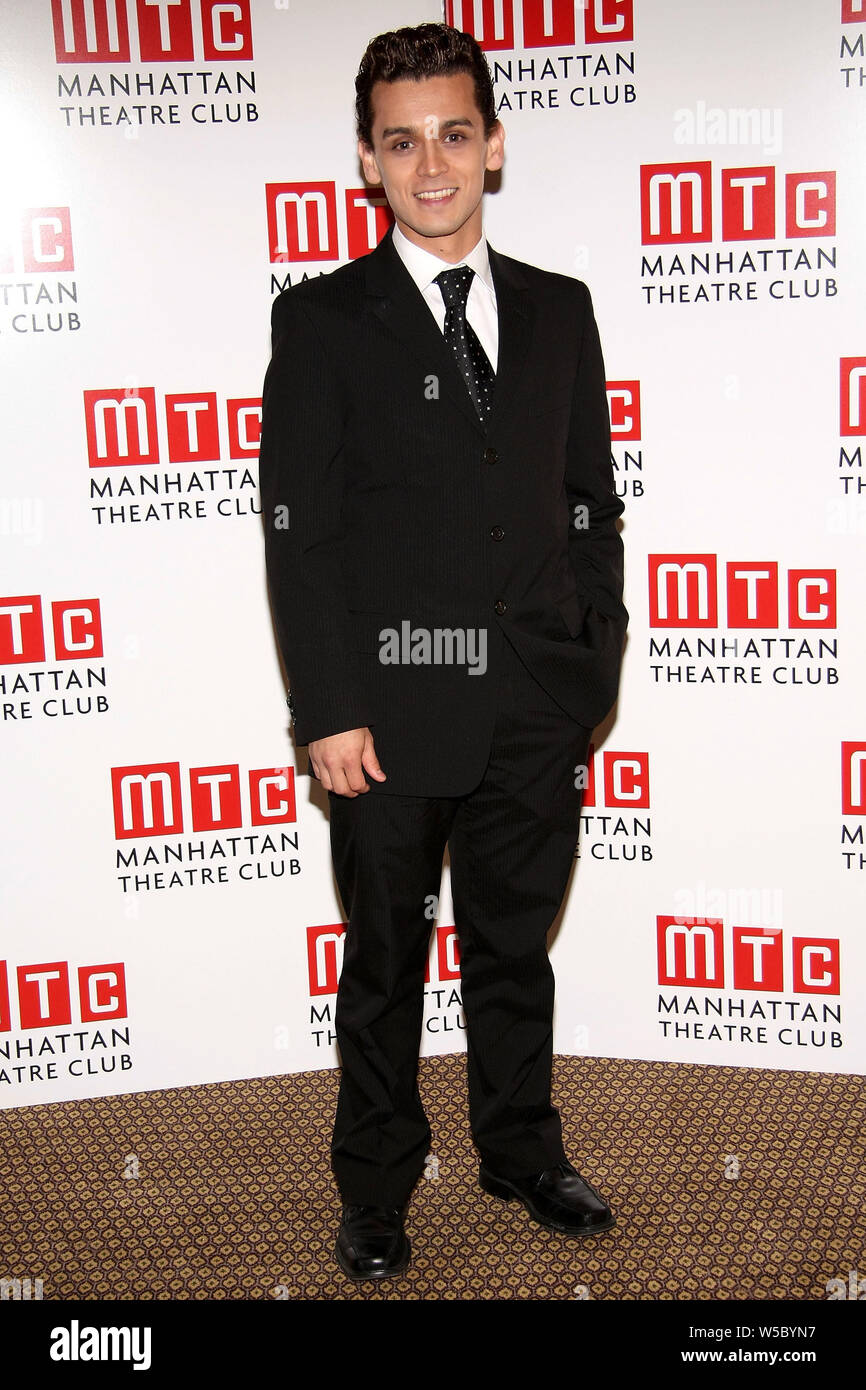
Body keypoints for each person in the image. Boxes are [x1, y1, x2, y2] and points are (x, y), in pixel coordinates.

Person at [258, 21, 628, 1281]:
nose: (431, 163)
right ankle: (373, 1184)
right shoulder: (319, 323)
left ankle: (521, 1149)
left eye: (454, 134)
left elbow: (591, 498)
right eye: (401, 140)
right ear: (367, 160)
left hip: (534, 700)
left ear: (494, 145)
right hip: (387, 715)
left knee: (513, 951)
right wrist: (328, 709)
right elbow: (298, 535)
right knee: (383, 963)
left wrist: (593, 655)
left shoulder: (558, 311)